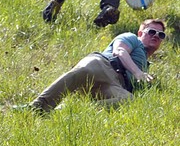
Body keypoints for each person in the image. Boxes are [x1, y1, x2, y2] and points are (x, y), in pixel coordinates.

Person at [23, 19, 166, 113]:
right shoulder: (132, 38)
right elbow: (120, 51)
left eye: (161, 35)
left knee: (128, 100)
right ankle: (36, 107)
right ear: (140, 33)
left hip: (115, 84)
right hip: (103, 65)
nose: (156, 36)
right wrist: (137, 72)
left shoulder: (146, 66)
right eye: (152, 32)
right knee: (84, 70)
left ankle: (69, 113)